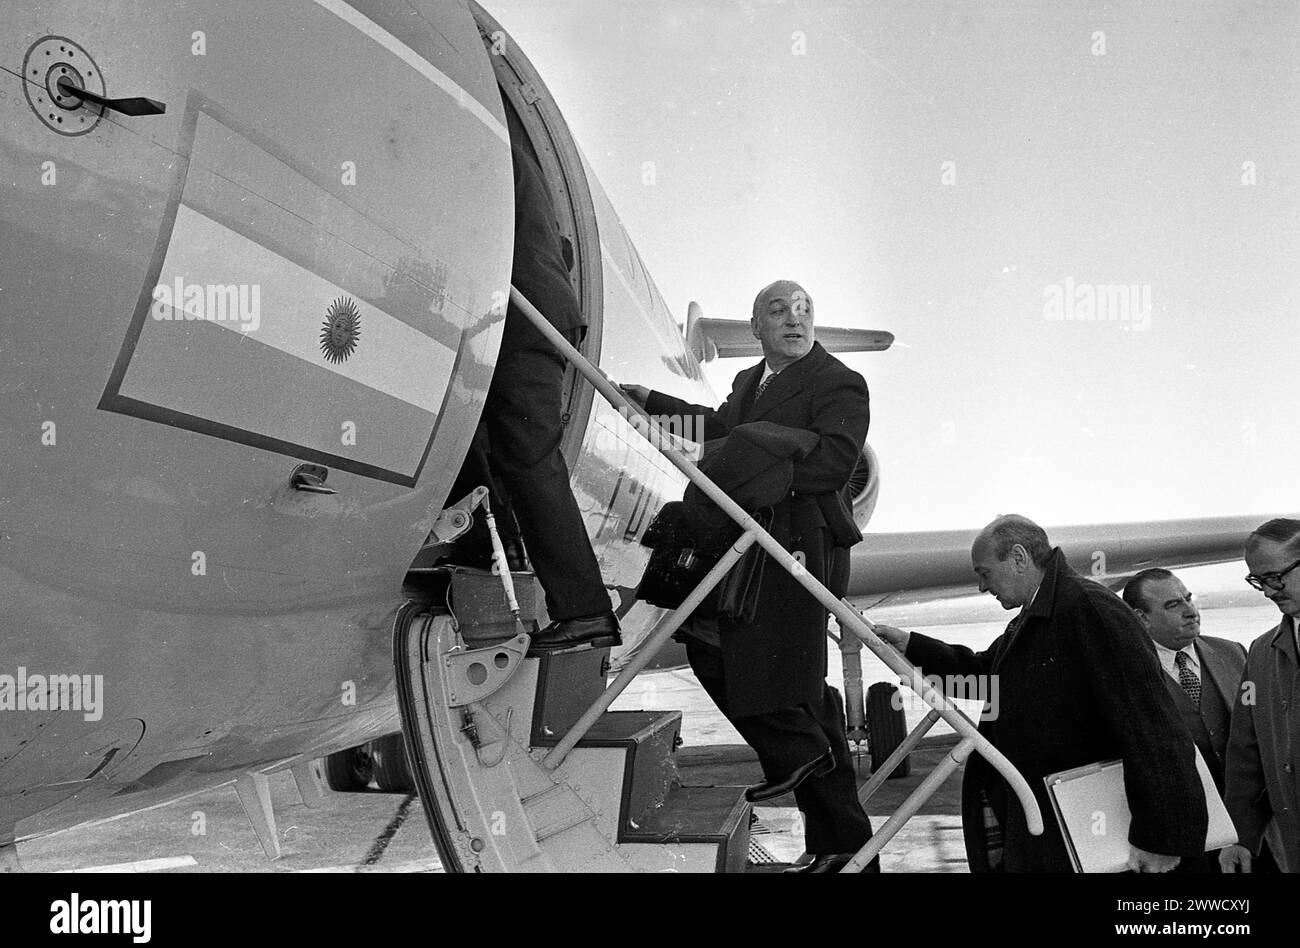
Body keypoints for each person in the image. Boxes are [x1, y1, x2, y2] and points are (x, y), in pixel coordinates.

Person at [623, 279, 877, 873]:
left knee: (796, 689)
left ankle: (836, 834)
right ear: (757, 328)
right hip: (751, 546)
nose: (796, 319)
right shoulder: (748, 383)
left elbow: (833, 462)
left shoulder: (839, 381)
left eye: (805, 310)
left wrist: (755, 447)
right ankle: (815, 791)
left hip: (797, 549)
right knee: (714, 645)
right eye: (778, 311)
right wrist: (645, 398)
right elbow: (715, 427)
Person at [871, 516, 1208, 873]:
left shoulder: (1088, 609)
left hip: (1082, 824)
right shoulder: (1041, 613)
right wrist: (910, 645)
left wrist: (1161, 838)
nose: (983, 586)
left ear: (1018, 558)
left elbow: (1151, 723)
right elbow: (987, 675)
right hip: (1053, 821)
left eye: (985, 573)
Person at [481, 144, 619, 653]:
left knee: (530, 457)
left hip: (527, 315)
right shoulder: (515, 159)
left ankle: (585, 612)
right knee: (510, 447)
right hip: (539, 309)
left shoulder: (486, 137)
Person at [1122, 568, 1246, 872]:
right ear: (1141, 618)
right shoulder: (1127, 675)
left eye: (1188, 598)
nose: (1190, 611)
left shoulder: (1233, 653)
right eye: (1172, 605)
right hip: (1180, 847)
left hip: (1246, 835)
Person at [1220, 518, 1300, 873]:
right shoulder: (1261, 653)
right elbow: (1246, 755)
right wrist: (1240, 835)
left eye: (1275, 577)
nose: (1268, 591)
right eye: (1258, 581)